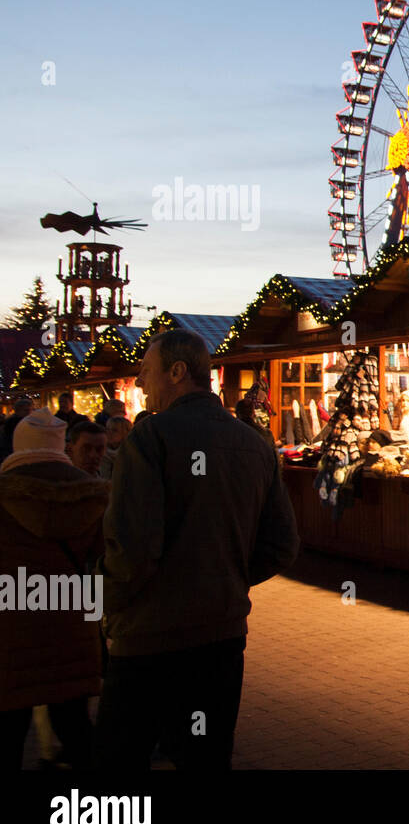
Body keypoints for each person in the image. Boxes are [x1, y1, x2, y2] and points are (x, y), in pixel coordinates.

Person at [95, 329, 300, 770]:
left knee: (120, 759)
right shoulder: (254, 444)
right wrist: (225, 578)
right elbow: (281, 545)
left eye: (146, 373)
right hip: (221, 638)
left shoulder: (148, 440)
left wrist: (107, 607)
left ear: (177, 371)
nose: (140, 384)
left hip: (148, 639)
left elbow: (132, 549)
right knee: (204, 755)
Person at [0, 409, 110, 769]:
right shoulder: (91, 494)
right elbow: (102, 556)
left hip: (11, 627)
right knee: (75, 726)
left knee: (9, 732)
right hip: (72, 622)